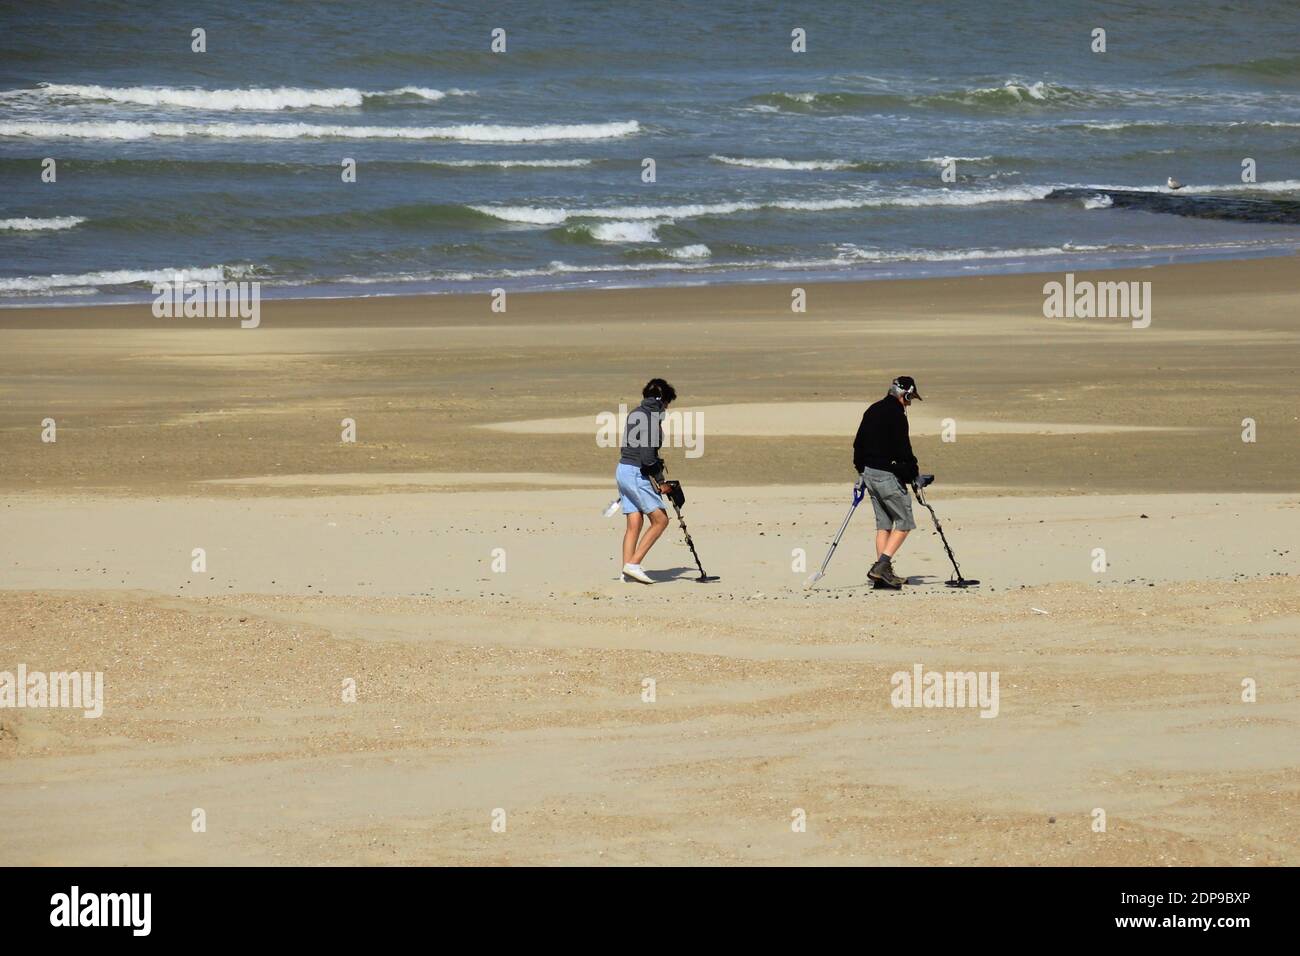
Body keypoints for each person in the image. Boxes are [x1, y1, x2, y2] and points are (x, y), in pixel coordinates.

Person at [852, 376, 923, 589]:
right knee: (904, 521)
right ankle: (881, 566)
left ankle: (881, 576)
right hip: (887, 477)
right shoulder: (897, 415)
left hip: (869, 474)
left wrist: (862, 472)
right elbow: (903, 450)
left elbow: (858, 444)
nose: (909, 404)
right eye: (910, 399)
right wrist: (913, 474)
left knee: (883, 524)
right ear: (905, 394)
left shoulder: (873, 409)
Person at [615, 378, 676, 584]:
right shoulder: (650, 419)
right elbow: (648, 457)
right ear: (660, 401)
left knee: (634, 522)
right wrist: (660, 482)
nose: (667, 408)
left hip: (623, 469)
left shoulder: (636, 413)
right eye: (667, 403)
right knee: (661, 520)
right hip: (635, 473)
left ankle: (626, 574)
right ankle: (633, 565)